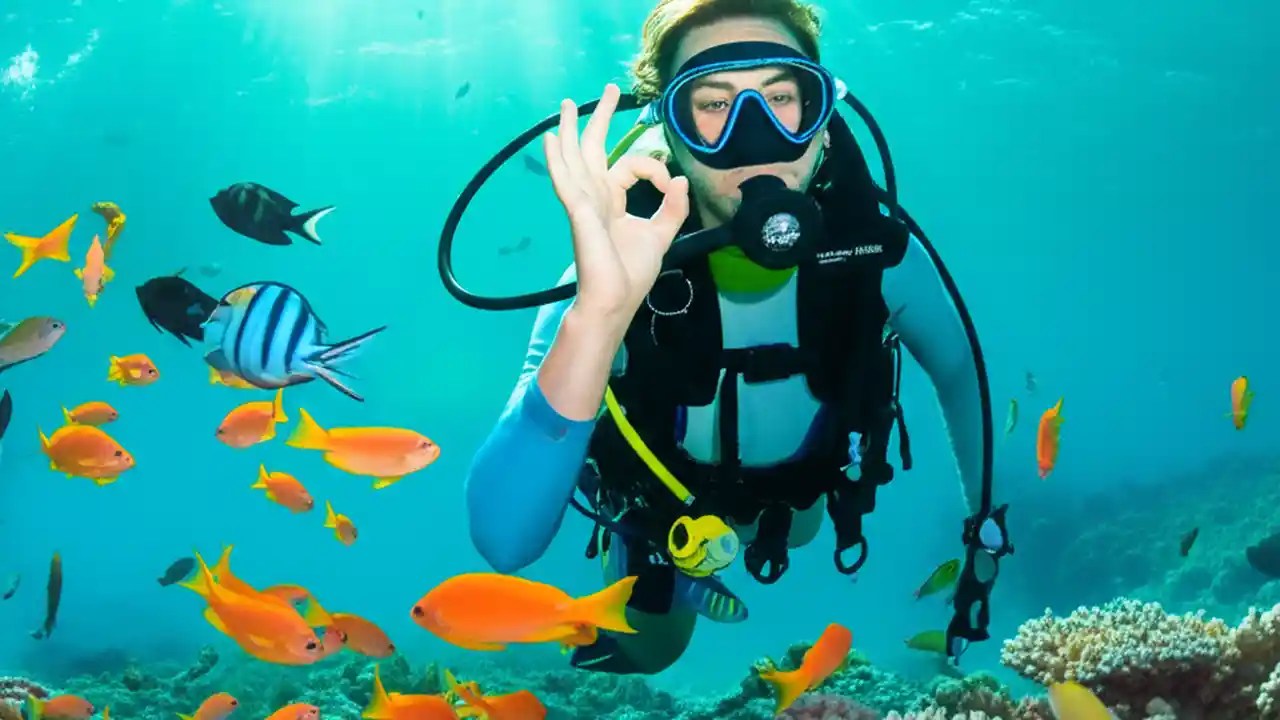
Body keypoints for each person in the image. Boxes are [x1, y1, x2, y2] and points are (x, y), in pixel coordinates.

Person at [460, 0, 1013, 676]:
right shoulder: (612, 269)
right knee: (656, 650)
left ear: (822, 118)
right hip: (668, 512)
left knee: (799, 527)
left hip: (803, 489)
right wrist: (598, 317)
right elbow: (504, 541)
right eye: (714, 105)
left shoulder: (874, 251)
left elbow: (958, 369)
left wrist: (984, 528)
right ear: (671, 130)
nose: (756, 140)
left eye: (781, 97)